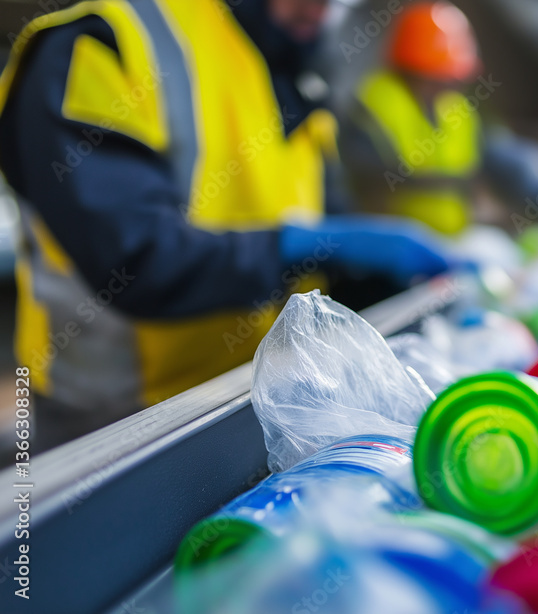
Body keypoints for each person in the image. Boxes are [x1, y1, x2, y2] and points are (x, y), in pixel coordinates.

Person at [0, 0, 453, 450]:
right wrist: (299, 245)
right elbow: (135, 257)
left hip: (260, 398)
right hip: (115, 422)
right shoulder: (103, 43)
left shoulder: (292, 68)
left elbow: (328, 235)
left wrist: (415, 285)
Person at [338, 1, 538, 237]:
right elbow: (364, 182)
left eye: (452, 78)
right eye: (439, 77)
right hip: (391, 259)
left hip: (449, 247)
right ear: (413, 67)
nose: (448, 87)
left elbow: (504, 160)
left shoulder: (455, 111)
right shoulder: (372, 107)